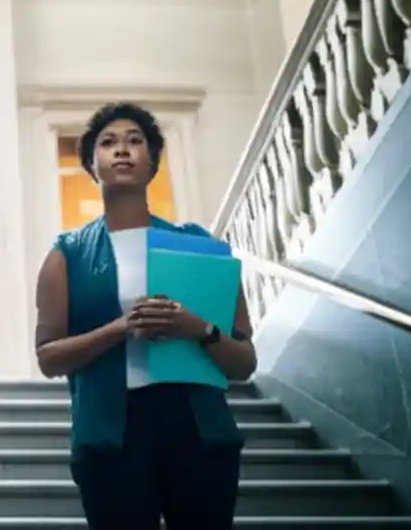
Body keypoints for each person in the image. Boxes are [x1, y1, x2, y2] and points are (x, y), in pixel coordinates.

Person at [33, 102, 257, 530]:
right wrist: (120, 329)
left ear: (153, 162)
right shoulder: (68, 254)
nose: (123, 150)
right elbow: (48, 358)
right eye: (108, 142)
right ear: (91, 164)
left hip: (198, 429)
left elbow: (245, 362)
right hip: (111, 434)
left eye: (135, 141)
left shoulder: (199, 246)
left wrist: (199, 329)